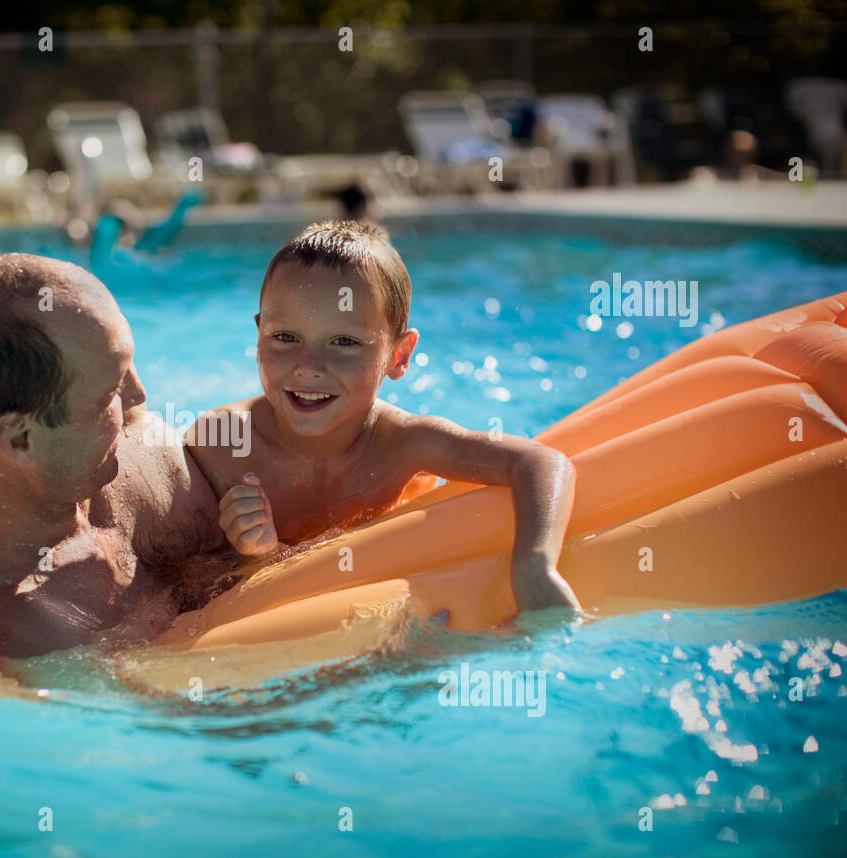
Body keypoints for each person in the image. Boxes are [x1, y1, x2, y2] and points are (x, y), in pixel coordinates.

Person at [186, 221, 582, 617]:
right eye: (285, 337)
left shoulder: (406, 445)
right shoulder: (222, 445)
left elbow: (540, 462)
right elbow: (187, 586)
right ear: (259, 334)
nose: (308, 367)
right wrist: (255, 556)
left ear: (399, 356)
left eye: (344, 342)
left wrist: (535, 565)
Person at [0, 254, 228, 658]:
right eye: (110, 390)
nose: (138, 396)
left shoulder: (99, 435)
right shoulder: (19, 636)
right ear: (20, 438)